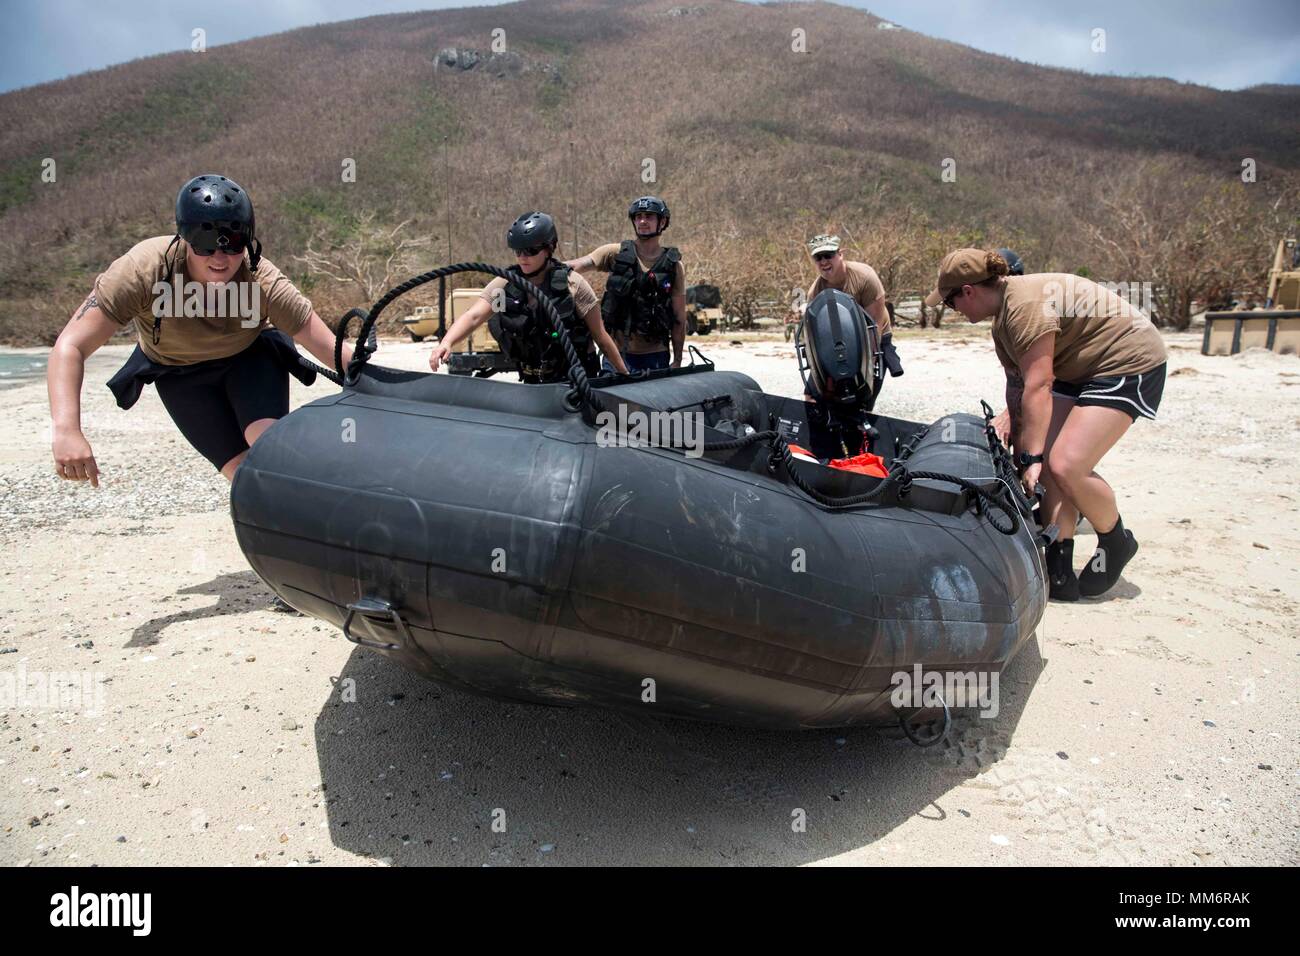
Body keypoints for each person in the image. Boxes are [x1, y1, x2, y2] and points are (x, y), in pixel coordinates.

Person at [48, 173, 357, 486]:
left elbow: (331, 349)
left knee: (268, 447)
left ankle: (336, 492)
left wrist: (393, 393)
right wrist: (66, 430)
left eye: (233, 244)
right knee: (245, 476)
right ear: (184, 237)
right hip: (178, 373)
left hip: (248, 358)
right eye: (206, 243)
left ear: (248, 239)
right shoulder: (143, 271)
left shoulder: (260, 279)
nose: (220, 258)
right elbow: (70, 347)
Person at [924, 249, 1167, 601]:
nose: (954, 311)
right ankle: (1059, 556)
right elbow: (1018, 389)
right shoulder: (1002, 322)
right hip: (1077, 367)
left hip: (1126, 360)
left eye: (950, 303)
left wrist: (1035, 457)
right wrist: (1024, 454)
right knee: (1046, 467)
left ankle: (1116, 539)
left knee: (1066, 465)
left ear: (968, 291)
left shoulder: (1023, 305)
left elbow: (1039, 385)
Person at [429, 211, 627, 381]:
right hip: (534, 381)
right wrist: (446, 343)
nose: (523, 257)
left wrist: (623, 377)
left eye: (531, 250)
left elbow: (600, 337)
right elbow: (473, 316)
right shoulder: (505, 283)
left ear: (549, 248)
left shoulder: (573, 285)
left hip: (577, 379)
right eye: (518, 251)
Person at [567, 196, 685, 372]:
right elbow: (578, 265)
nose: (642, 221)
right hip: (617, 354)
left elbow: (679, 319)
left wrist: (677, 361)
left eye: (649, 216)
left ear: (662, 222)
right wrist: (543, 266)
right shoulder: (615, 253)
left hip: (656, 357)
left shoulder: (673, 266)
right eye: (638, 217)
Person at [804, 234, 903, 396]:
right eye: (818, 258)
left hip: (873, 337)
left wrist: (866, 368)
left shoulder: (865, 277)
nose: (823, 262)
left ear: (840, 254)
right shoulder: (815, 294)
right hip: (836, 343)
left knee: (862, 395)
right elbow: (815, 340)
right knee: (813, 396)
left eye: (828, 255)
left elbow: (874, 326)